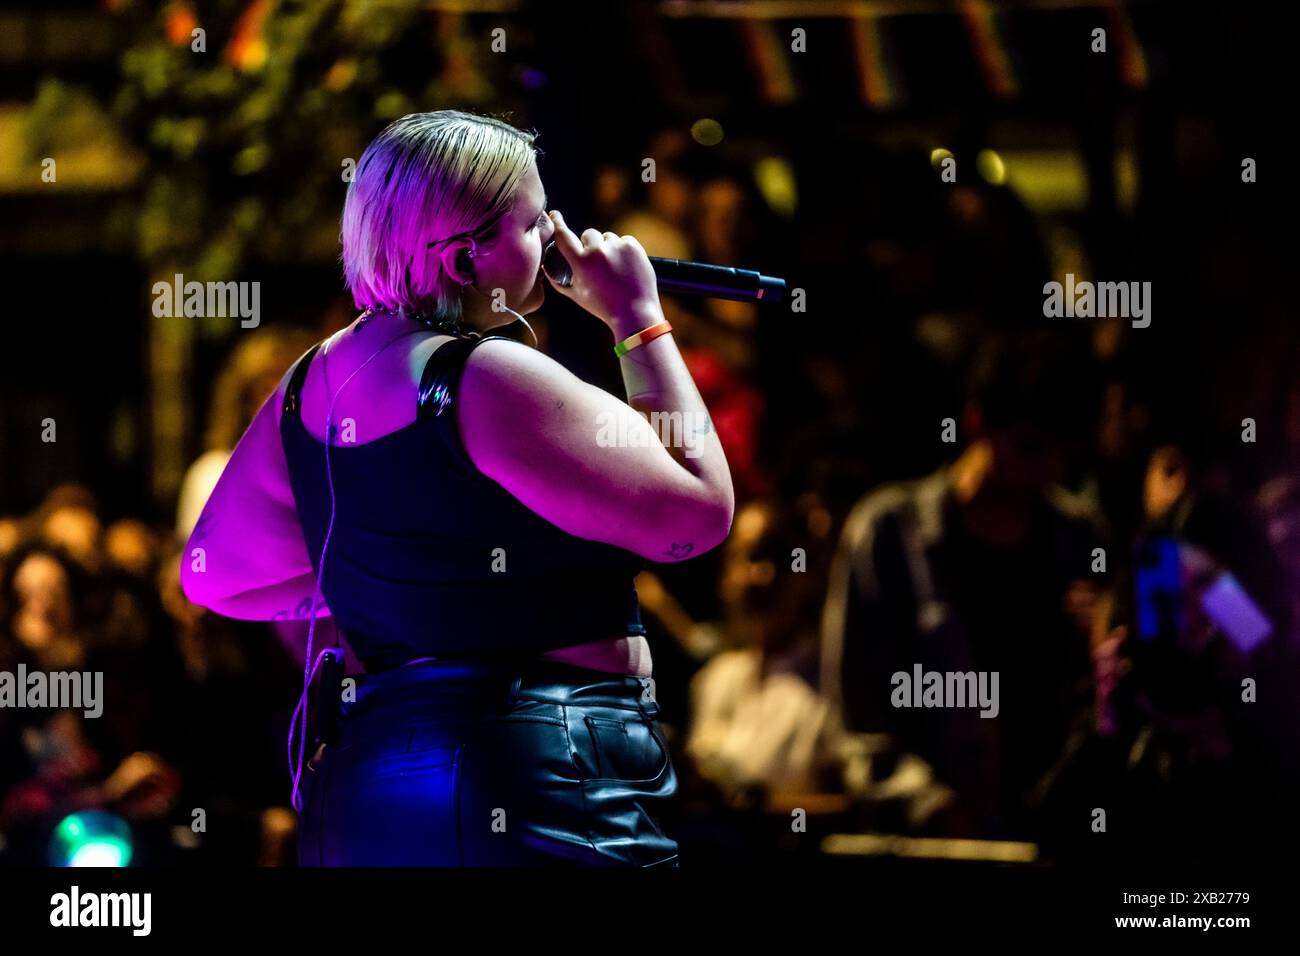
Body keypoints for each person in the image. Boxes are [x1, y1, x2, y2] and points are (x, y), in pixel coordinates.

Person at [180, 110, 735, 866]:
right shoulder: (492, 374)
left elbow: (216, 578)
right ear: (463, 259)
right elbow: (696, 516)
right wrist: (638, 320)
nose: (557, 238)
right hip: (539, 766)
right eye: (535, 221)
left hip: (377, 776)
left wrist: (398, 586)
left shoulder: (307, 384)